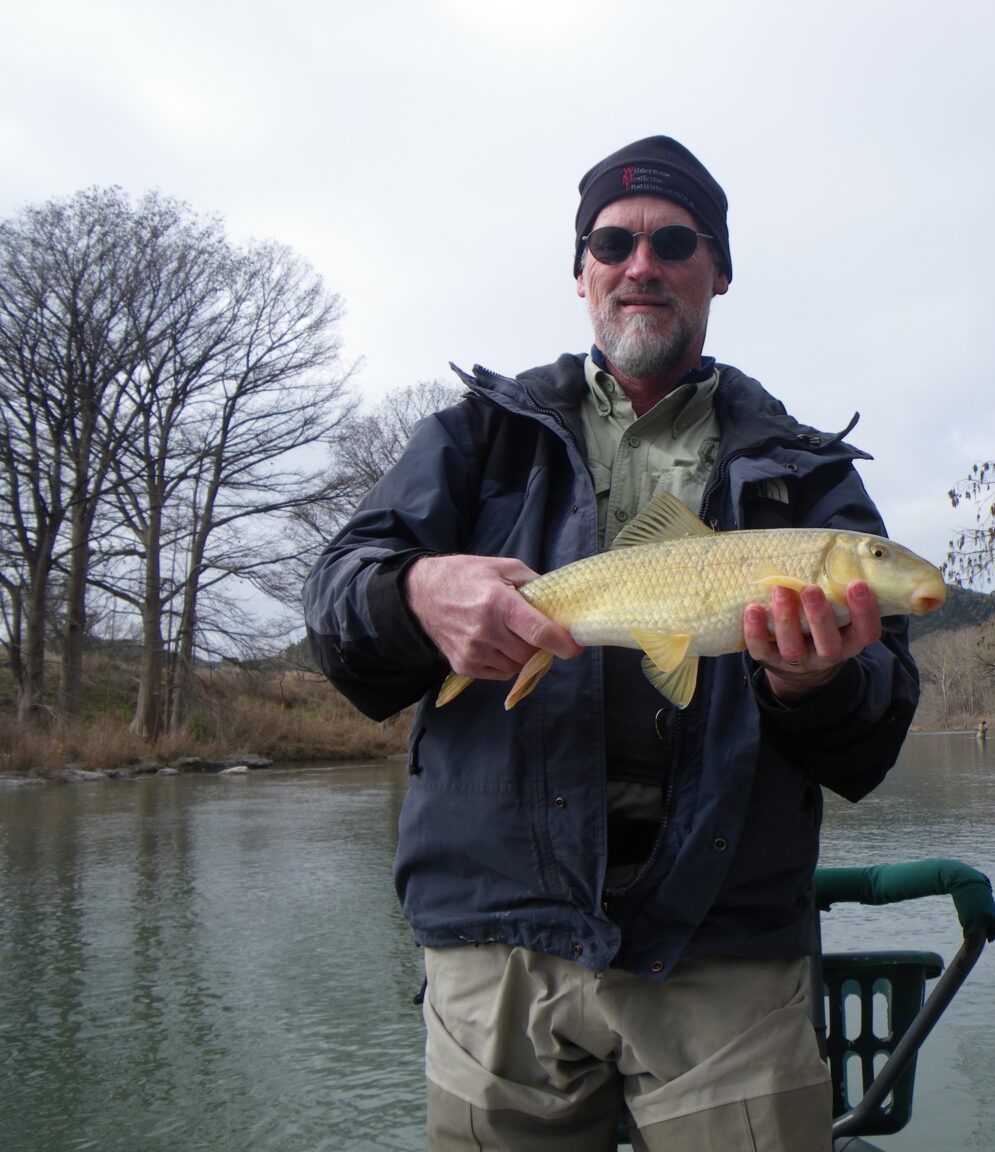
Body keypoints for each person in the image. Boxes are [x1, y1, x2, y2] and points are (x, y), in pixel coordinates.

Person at [304, 135, 922, 1152]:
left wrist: (813, 683)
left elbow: (872, 740)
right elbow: (334, 608)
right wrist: (417, 592)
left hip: (726, 948)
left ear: (718, 270)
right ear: (582, 269)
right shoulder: (472, 439)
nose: (643, 264)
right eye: (614, 241)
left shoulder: (811, 482)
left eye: (676, 241)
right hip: (497, 943)